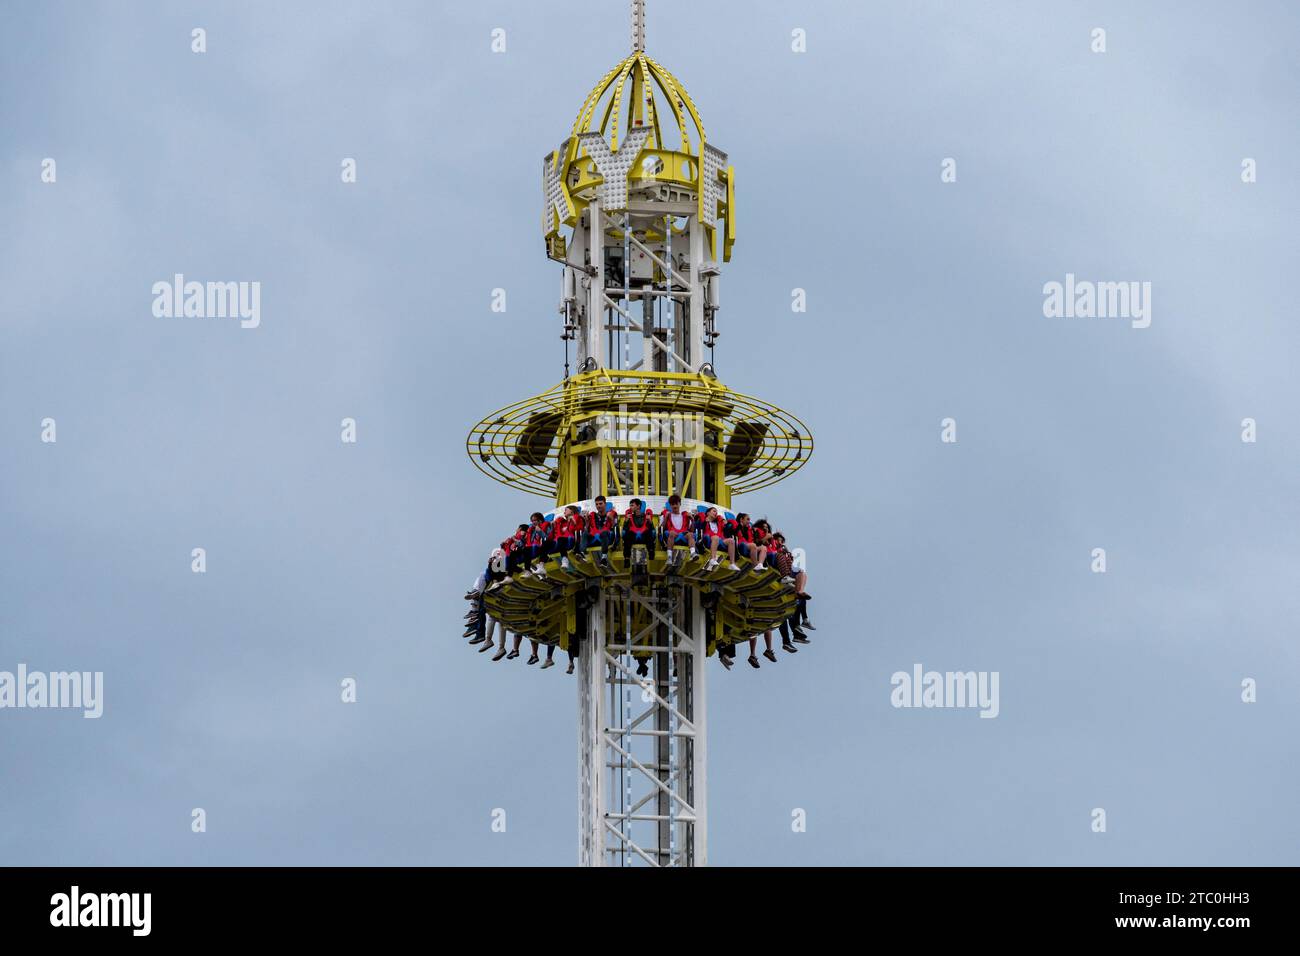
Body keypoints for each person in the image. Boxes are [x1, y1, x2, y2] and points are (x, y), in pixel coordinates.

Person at [696, 506, 738, 571]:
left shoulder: (719, 522)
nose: (716, 513)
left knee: (731, 541)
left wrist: (724, 521)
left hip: (718, 540)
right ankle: (713, 559)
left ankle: (732, 564)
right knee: (715, 537)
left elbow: (730, 526)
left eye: (716, 512)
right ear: (708, 513)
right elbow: (697, 526)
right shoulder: (704, 520)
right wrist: (704, 521)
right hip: (707, 538)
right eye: (714, 511)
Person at [659, 494, 695, 565]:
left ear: (680, 504)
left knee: (690, 534)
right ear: (670, 505)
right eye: (672, 504)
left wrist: (692, 520)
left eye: (676, 504)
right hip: (672, 535)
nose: (675, 506)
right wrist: (665, 518)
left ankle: (693, 553)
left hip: (683, 536)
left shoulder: (685, 515)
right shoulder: (666, 515)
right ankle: (669, 557)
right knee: (672, 532)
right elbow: (661, 528)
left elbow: (692, 530)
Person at [621, 498, 656, 565]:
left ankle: (651, 551)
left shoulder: (646, 516)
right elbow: (625, 529)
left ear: (638, 506)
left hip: (644, 538)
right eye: (630, 506)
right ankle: (627, 558)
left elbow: (652, 529)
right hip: (633, 537)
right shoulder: (630, 517)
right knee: (627, 534)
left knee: (648, 532)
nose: (630, 507)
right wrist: (626, 521)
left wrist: (650, 521)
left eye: (632, 505)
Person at [584, 495, 617, 562]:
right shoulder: (592, 515)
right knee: (585, 533)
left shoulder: (612, 514)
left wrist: (612, 519)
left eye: (600, 504)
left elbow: (616, 528)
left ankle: (604, 556)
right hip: (594, 539)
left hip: (607, 539)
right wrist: (587, 522)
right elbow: (587, 530)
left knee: (604, 532)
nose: (598, 506)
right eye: (597, 504)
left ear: (605, 504)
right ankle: (582, 553)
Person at [552, 505, 580, 571]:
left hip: (570, 539)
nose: (564, 512)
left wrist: (572, 520)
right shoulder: (562, 522)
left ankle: (564, 559)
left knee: (560, 539)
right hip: (561, 541)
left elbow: (576, 527)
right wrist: (557, 522)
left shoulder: (576, 518)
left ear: (572, 511)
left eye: (566, 510)